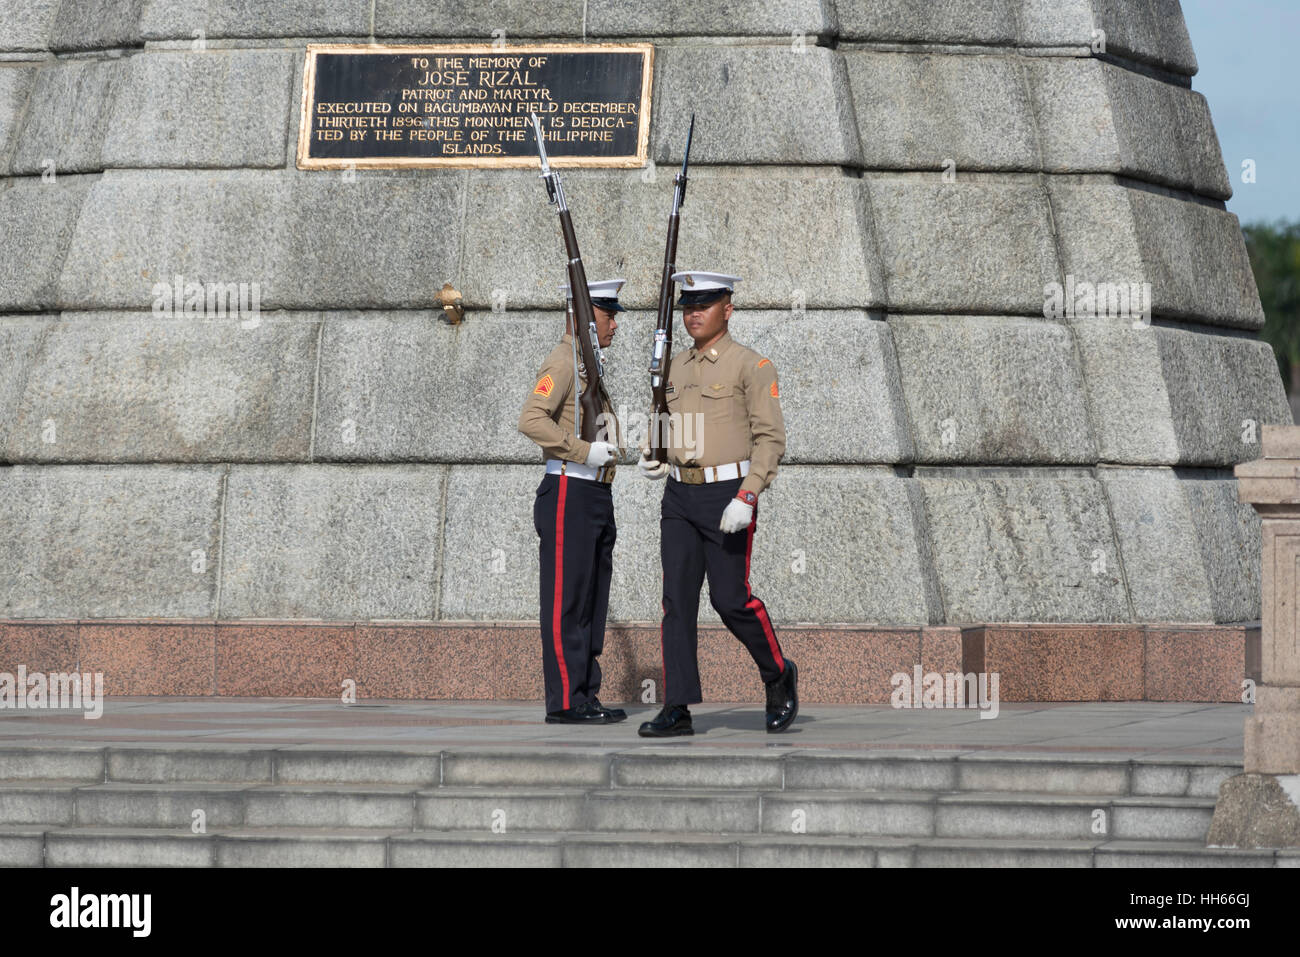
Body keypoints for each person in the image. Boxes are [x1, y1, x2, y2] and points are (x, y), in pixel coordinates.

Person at [636, 271, 798, 736]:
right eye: (688, 305)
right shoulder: (674, 366)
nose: (693, 313)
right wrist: (654, 452)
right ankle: (677, 706)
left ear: (728, 308)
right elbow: (663, 423)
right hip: (680, 497)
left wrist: (748, 494)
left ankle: (777, 672)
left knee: (731, 601)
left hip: (727, 497)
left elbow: (771, 438)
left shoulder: (752, 365)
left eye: (704, 304)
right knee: (677, 602)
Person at [518, 278, 627, 724]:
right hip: (568, 491)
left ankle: (584, 693)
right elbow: (530, 419)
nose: (615, 325)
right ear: (582, 316)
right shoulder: (563, 362)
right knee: (567, 600)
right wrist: (584, 452)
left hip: (594, 494)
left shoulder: (588, 368)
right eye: (607, 315)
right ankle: (565, 700)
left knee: (590, 600)